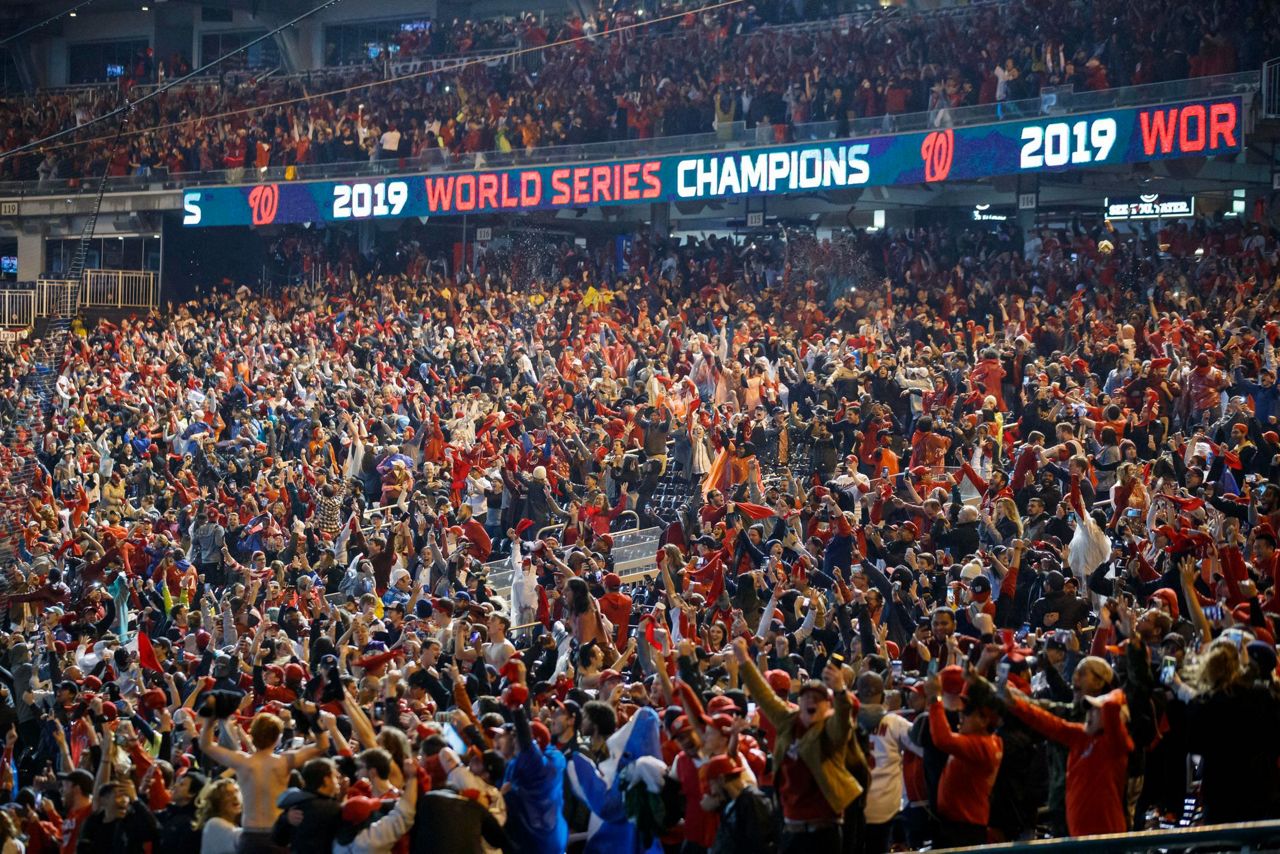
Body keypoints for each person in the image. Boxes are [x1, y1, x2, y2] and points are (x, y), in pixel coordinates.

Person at [733, 638, 862, 852]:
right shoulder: (789, 720)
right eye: (806, 696)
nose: (810, 700)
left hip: (824, 829)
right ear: (798, 701)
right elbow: (764, 695)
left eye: (817, 698)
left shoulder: (830, 729)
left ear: (827, 706)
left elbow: (843, 720)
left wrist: (839, 690)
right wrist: (744, 660)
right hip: (792, 826)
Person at [198, 708, 331, 854]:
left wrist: (210, 720)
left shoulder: (243, 762)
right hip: (276, 835)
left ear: (252, 735)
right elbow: (322, 745)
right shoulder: (284, 762)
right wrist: (313, 717)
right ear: (277, 737)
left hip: (250, 837)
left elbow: (206, 745)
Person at [921, 672, 1003, 848]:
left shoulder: (981, 746)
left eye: (967, 712)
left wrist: (935, 698)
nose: (961, 715)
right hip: (961, 825)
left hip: (963, 829)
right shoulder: (989, 740)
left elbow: (942, 739)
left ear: (984, 720)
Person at [703, 753, 775, 854]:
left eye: (711, 783)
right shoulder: (733, 803)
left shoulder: (753, 800)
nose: (712, 791)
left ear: (721, 779)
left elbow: (760, 842)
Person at [194, 778, 243, 854]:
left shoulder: (235, 825)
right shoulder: (214, 824)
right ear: (217, 801)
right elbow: (249, 839)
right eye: (228, 794)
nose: (235, 797)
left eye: (237, 792)